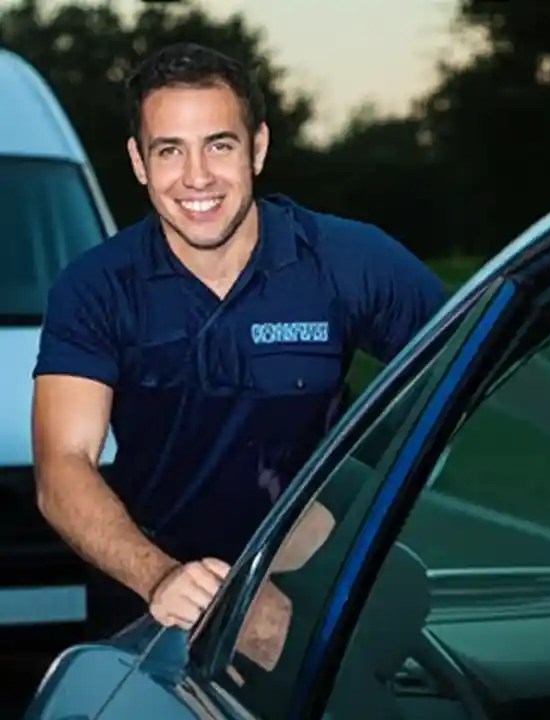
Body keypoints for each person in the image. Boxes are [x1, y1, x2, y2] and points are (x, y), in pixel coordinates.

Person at [31, 42, 446, 642]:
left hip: (312, 589)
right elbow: (63, 466)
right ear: (139, 162)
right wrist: (160, 578)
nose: (196, 176)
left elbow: (482, 360)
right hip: (151, 599)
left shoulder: (348, 262)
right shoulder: (96, 287)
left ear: (258, 147)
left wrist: (341, 506)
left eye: (219, 145)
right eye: (169, 150)